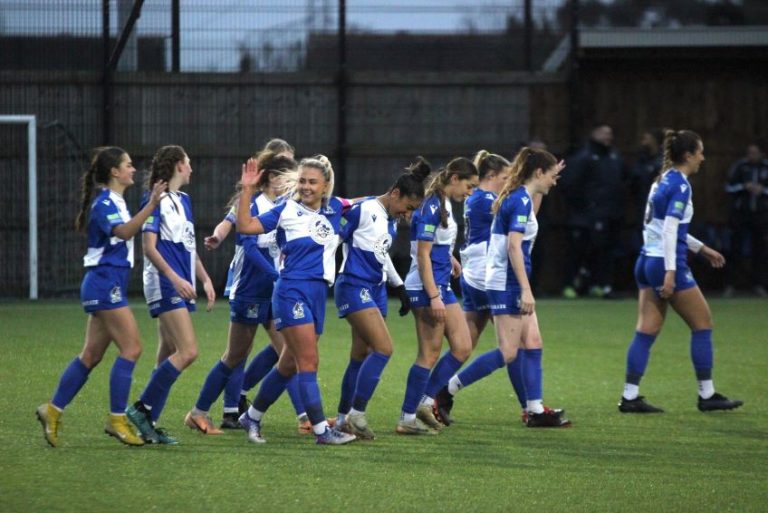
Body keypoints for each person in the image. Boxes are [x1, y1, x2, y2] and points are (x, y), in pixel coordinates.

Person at [36, 147, 167, 448]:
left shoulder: (117, 202)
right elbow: (124, 232)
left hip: (107, 282)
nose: (133, 169)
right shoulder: (105, 203)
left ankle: (52, 410)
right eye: (128, 165)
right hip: (104, 283)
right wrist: (151, 204)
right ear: (114, 172)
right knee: (132, 349)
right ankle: (117, 420)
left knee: (91, 356)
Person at [434, 148, 570, 428]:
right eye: (504, 177)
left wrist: (538, 186)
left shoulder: (507, 198)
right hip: (492, 278)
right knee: (506, 349)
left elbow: (526, 215)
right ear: (492, 175)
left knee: (522, 343)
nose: (507, 181)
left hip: (485, 275)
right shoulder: (486, 199)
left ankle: (532, 408)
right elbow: (514, 236)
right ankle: (440, 392)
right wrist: (526, 288)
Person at [618, 129, 743, 414]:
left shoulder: (661, 180)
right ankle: (707, 395)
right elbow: (670, 230)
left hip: (646, 261)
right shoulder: (681, 186)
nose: (703, 158)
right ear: (687, 155)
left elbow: (660, 227)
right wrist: (671, 272)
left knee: (646, 330)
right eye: (700, 152)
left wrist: (702, 248)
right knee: (703, 324)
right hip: (664, 263)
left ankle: (629, 396)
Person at [235, 155, 356, 445]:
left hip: (317, 294)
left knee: (288, 364)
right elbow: (246, 226)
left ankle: (251, 416)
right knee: (308, 361)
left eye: (312, 182)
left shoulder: (335, 207)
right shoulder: (286, 209)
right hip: (291, 291)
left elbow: (363, 203)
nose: (306, 187)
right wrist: (247, 190)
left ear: (325, 185)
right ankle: (321, 431)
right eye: (302, 181)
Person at [184, 152, 298, 435]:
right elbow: (249, 246)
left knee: (290, 354)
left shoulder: (285, 206)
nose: (295, 183)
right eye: (290, 177)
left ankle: (305, 417)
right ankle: (198, 412)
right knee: (234, 355)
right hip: (250, 289)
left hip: (273, 290)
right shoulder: (253, 204)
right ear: (273, 178)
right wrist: (277, 276)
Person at [333, 158, 430, 439]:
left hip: (375, 289)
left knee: (360, 356)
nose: (407, 214)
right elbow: (333, 240)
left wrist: (398, 286)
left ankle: (342, 419)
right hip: (354, 285)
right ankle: (357, 415)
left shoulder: (390, 220)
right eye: (408, 207)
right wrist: (320, 275)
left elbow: (380, 254)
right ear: (395, 193)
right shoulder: (363, 210)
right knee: (384, 348)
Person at [125, 145, 216, 445]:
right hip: (165, 284)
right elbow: (149, 248)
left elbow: (189, 247)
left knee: (167, 354)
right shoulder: (155, 200)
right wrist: (175, 278)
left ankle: (149, 423)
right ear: (178, 165)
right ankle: (141, 409)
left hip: (180, 284)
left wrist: (205, 279)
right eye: (188, 162)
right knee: (188, 351)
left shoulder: (184, 200)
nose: (191, 168)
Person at [396, 157, 478, 435]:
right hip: (426, 288)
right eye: (469, 185)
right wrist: (433, 296)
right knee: (429, 354)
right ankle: (407, 418)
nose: (470, 192)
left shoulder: (444, 203)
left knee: (462, 346)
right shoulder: (431, 206)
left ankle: (425, 401)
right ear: (454, 178)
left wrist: (450, 258)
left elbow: (434, 247)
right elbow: (422, 255)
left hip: (440, 285)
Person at [560, 124, 626, 298]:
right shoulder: (583, 157)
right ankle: (571, 284)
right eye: (603, 133)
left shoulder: (614, 157)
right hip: (584, 216)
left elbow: (622, 182)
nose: (607, 137)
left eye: (610, 133)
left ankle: (599, 285)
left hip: (609, 214)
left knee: (603, 252)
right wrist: (585, 206)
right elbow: (570, 185)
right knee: (579, 251)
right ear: (594, 134)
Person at [724, 143, 768, 298]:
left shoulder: (766, 167)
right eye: (749, 153)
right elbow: (728, 187)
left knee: (760, 251)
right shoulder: (740, 167)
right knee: (735, 250)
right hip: (741, 215)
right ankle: (731, 285)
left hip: (761, 215)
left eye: (755, 153)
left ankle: (759, 285)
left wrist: (763, 190)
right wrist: (744, 186)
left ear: (761, 153)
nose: (752, 156)